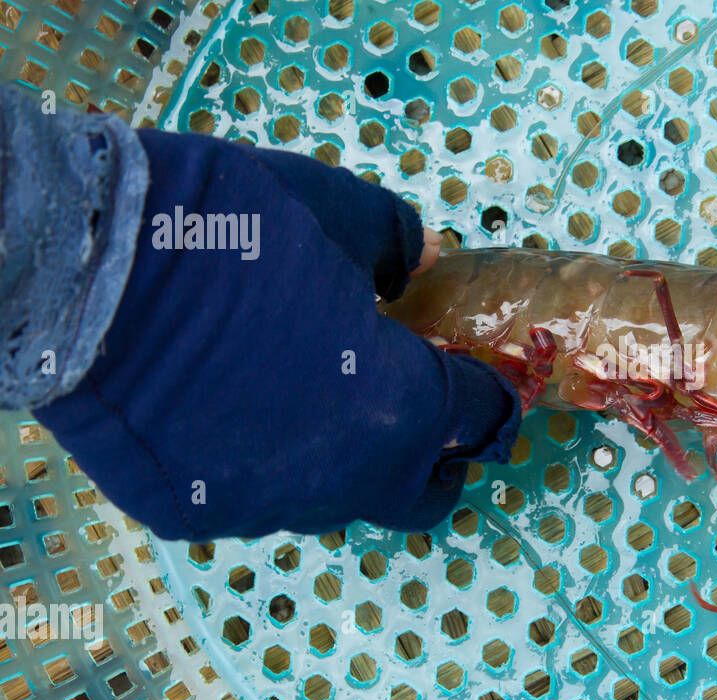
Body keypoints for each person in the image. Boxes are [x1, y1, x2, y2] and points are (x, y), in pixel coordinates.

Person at [0, 84, 521, 541]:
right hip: (116, 178)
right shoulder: (209, 181)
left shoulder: (156, 474)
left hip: (92, 172)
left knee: (400, 455)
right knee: (423, 427)